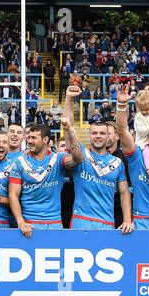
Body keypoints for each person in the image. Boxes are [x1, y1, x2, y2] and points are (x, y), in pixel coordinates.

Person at [61, 82, 132, 232]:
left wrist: (127, 220)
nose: (98, 136)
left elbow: (124, 192)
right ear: (89, 136)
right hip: (81, 221)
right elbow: (67, 126)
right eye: (94, 133)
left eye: (102, 133)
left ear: (109, 137)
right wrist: (68, 99)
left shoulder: (117, 162)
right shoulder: (81, 154)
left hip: (107, 222)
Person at [7, 123, 68, 236]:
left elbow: (78, 159)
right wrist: (21, 222)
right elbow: (13, 194)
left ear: (45, 139)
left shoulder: (58, 159)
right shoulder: (20, 162)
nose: (29, 141)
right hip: (28, 225)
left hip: (54, 222)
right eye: (29, 137)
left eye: (33, 138)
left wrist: (70, 130)